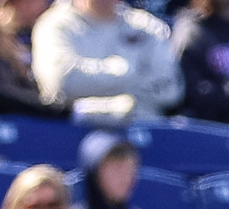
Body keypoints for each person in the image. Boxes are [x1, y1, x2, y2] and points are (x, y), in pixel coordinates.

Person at [31, 0, 181, 123]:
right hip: (73, 128)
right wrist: (125, 71)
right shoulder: (54, 24)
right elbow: (63, 82)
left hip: (144, 126)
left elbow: (170, 89)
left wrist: (100, 85)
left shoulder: (147, 26)